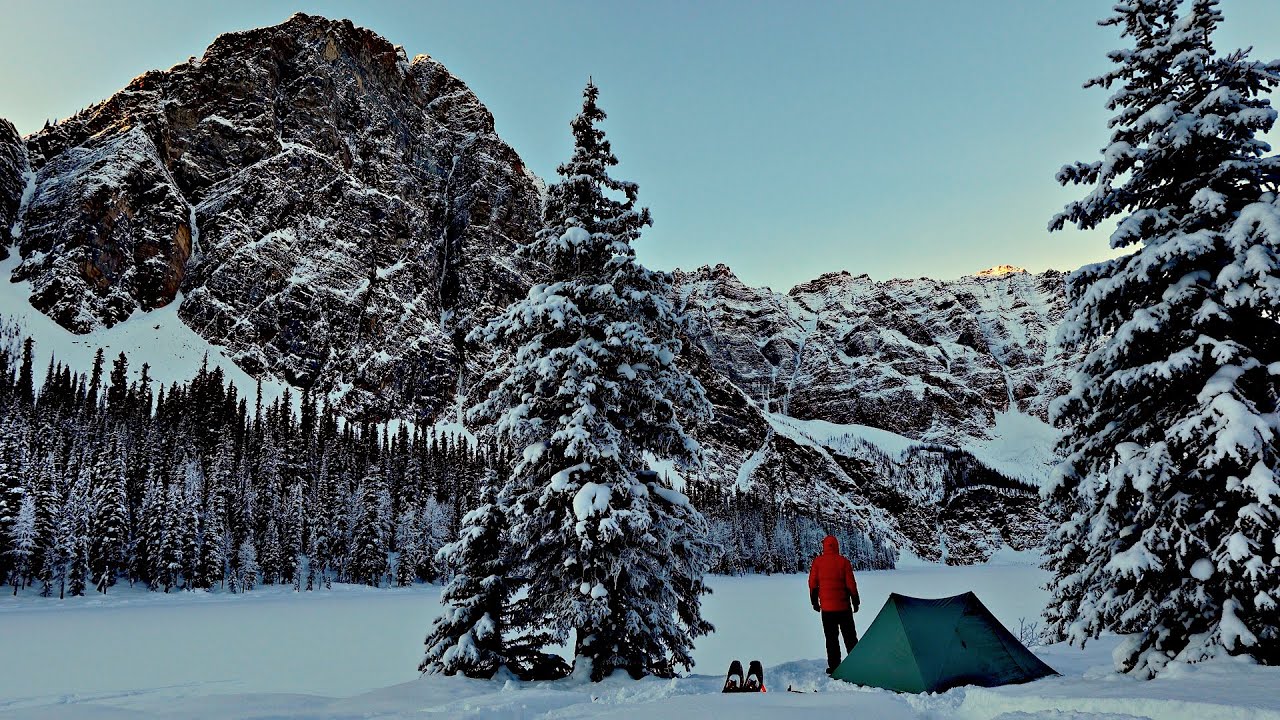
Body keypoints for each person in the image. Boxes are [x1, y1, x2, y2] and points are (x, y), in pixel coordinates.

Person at [808, 534, 860, 675]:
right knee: (850, 637)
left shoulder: (817, 562)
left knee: (831, 639)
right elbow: (851, 584)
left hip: (827, 610)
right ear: (837, 546)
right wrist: (856, 601)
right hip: (844, 608)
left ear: (824, 546)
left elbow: (813, 584)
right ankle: (856, 664)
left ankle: (834, 667)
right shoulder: (844, 562)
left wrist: (814, 602)